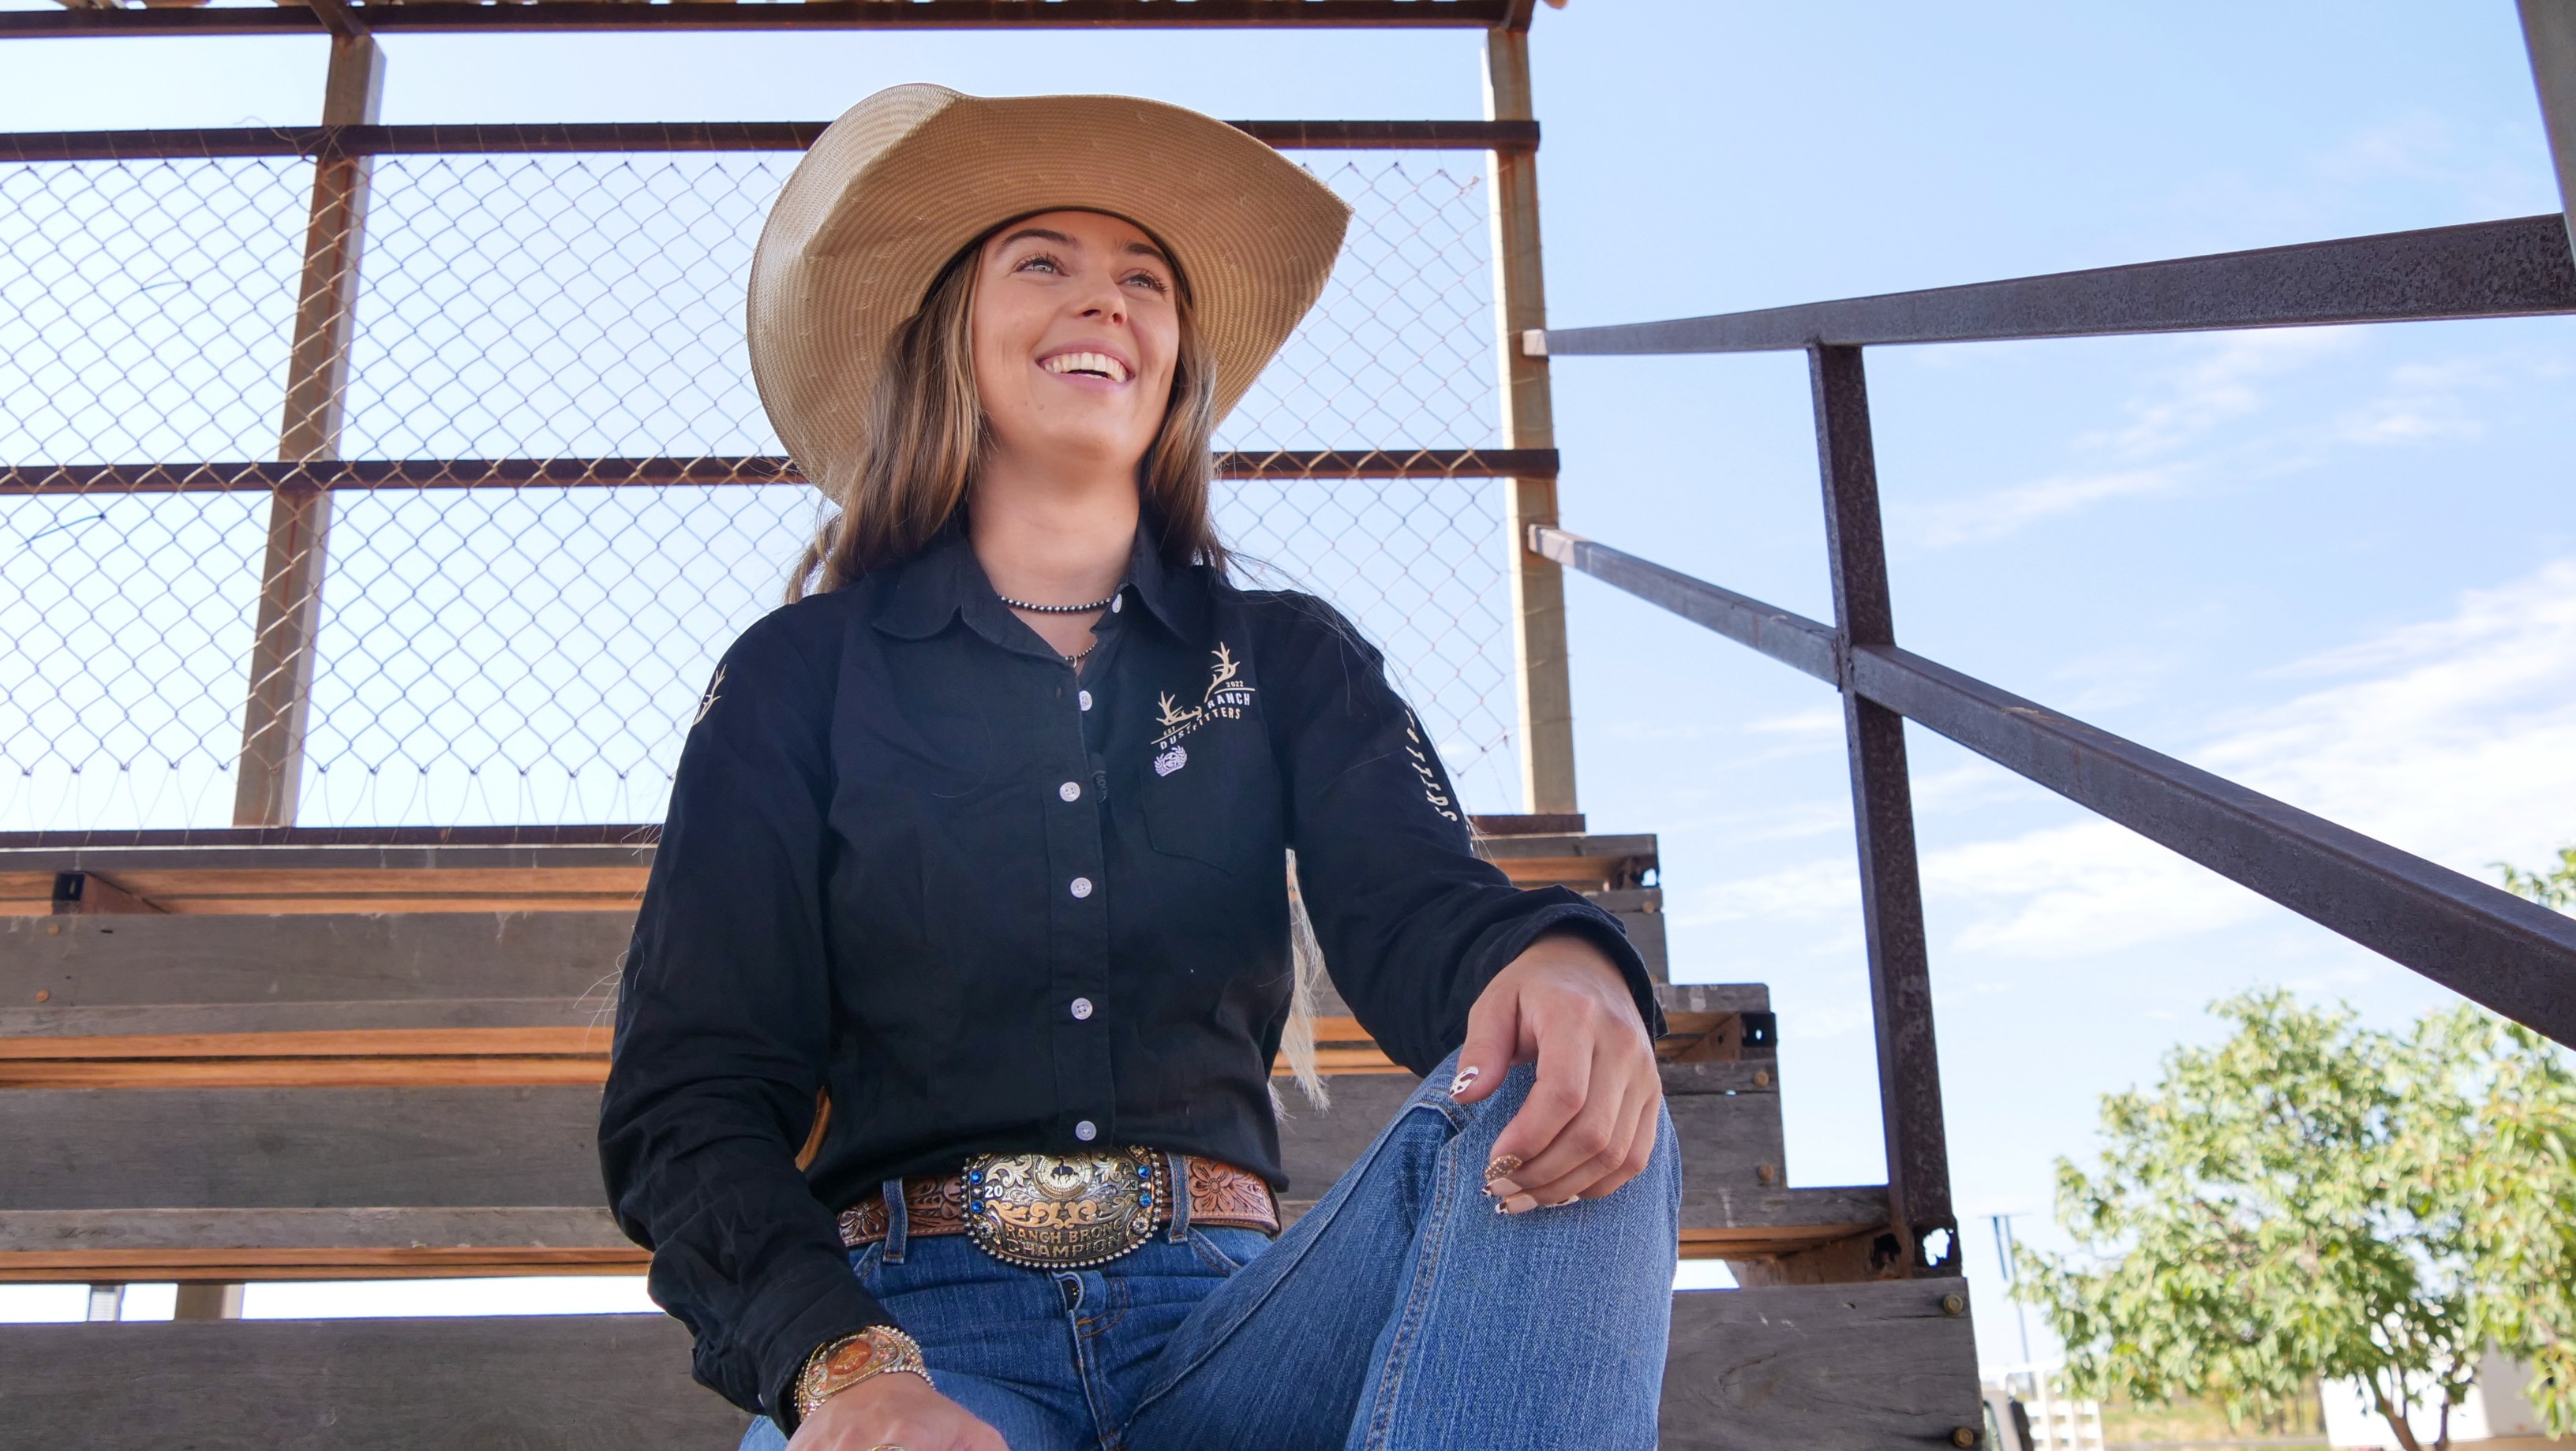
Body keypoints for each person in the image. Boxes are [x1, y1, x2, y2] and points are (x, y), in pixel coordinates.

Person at [599, 84, 1679, 1451]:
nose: (1104, 302)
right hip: (916, 1340)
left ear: (1175, 357)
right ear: (950, 334)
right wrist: (847, 1370)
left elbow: (1425, 914)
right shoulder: (797, 677)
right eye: (1041, 262)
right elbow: (689, 1097)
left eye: (1144, 280)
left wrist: (1562, 965)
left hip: (1243, 1327)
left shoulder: (1286, 658)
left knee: (1576, 1085)